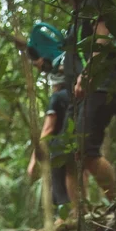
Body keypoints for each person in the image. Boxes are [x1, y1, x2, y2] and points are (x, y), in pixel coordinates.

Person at [57, 0, 116, 201]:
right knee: (68, 154)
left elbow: (102, 40)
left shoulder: (95, 2)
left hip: (98, 87)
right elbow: (72, 59)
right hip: (78, 93)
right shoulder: (76, 17)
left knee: (87, 151)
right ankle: (78, 215)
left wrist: (88, 74)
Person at [27, 74, 77, 207]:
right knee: (77, 175)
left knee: (60, 184)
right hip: (78, 142)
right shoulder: (76, 94)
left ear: (55, 84)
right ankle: (80, 210)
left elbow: (48, 129)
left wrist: (33, 159)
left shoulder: (57, 97)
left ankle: (68, 212)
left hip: (62, 146)